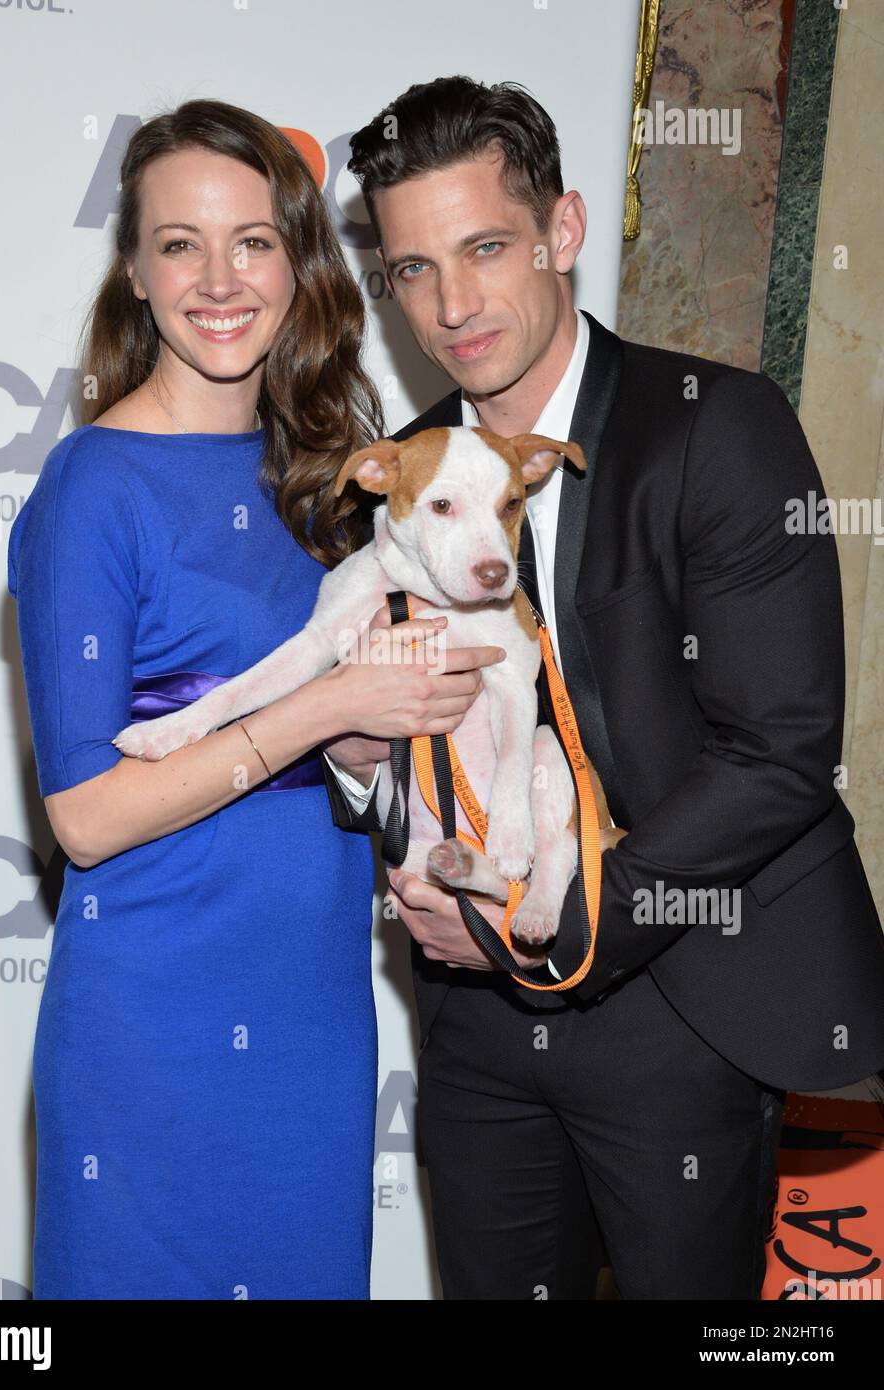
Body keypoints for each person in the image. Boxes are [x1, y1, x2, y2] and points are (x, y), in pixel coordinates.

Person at [321, 75, 884, 1299]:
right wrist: (359, 766)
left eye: (484, 247)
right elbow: (390, 742)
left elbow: (781, 752)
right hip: (473, 1022)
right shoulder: (412, 483)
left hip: (676, 993)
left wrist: (577, 922)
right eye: (414, 269)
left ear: (562, 232)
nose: (453, 304)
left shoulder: (713, 427)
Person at [7, 97, 503, 1300]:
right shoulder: (91, 488)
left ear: (299, 262)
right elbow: (81, 817)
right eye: (180, 242)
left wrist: (388, 747)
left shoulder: (336, 482)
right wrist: (328, 704)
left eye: (253, 242)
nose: (219, 278)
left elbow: (374, 762)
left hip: (315, 1019)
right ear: (134, 268)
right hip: (152, 1024)